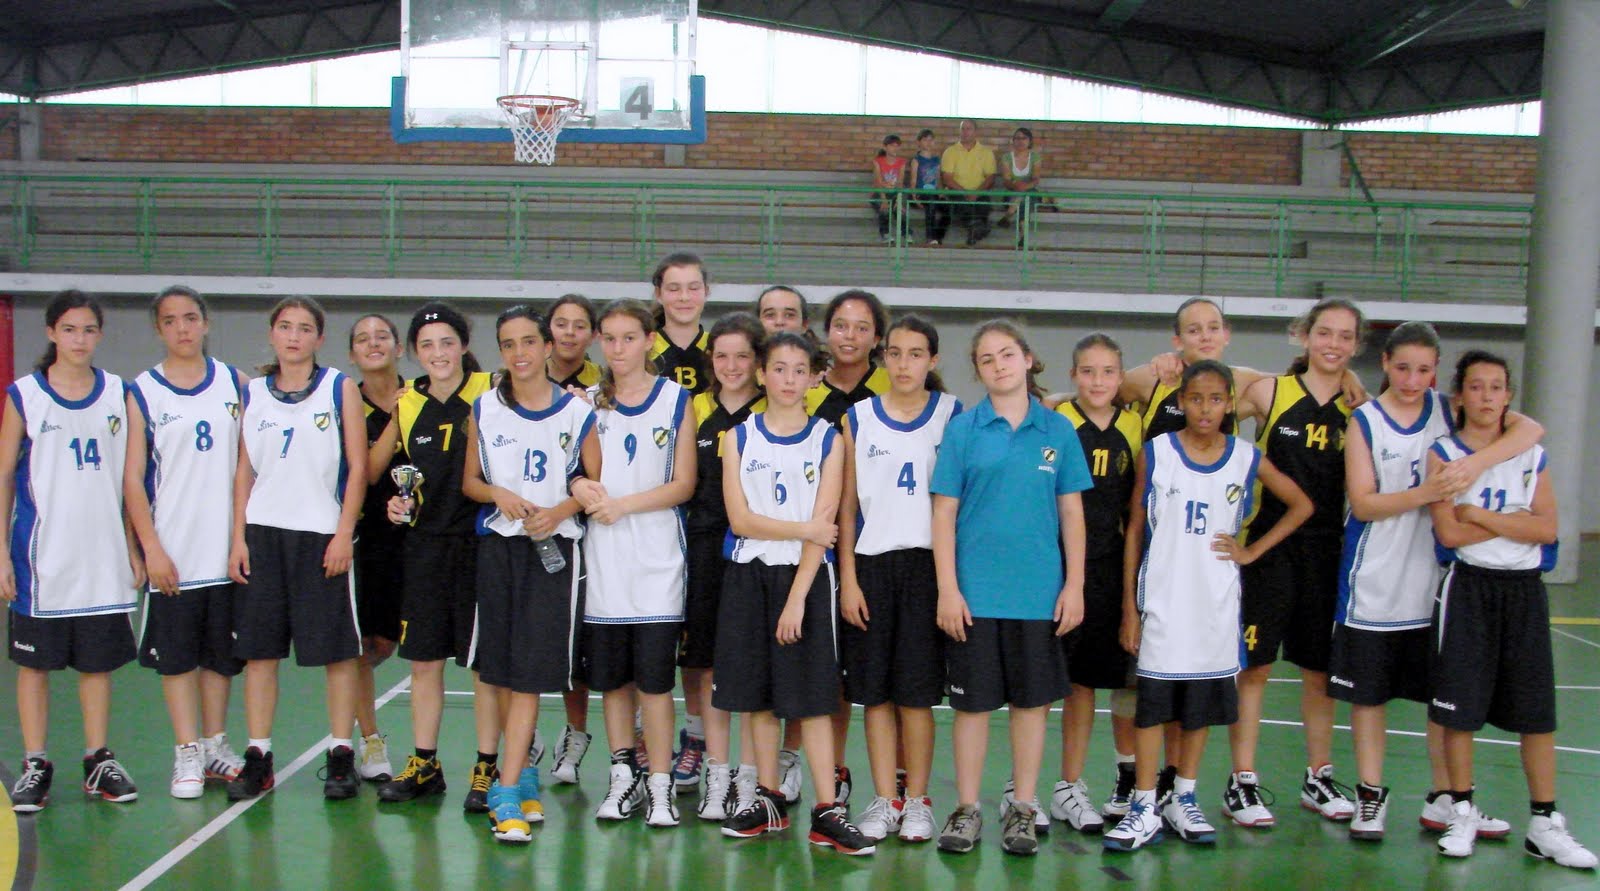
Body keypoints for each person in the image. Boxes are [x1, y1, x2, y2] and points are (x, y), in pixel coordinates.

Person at [1333, 322, 1542, 842]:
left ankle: (1447, 799)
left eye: (1424, 369)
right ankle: (1370, 796)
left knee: (1443, 697)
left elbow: (1530, 430)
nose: (1412, 378)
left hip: (1438, 581)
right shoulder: (1366, 420)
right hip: (1375, 576)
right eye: (1402, 367)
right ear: (1384, 363)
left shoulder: (1449, 411)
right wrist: (1432, 490)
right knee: (1370, 696)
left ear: (1437, 373)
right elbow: (1363, 502)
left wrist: (1468, 466)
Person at [1103, 360, 1313, 852]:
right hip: (1162, 601)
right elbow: (1135, 528)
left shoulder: (1245, 455)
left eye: (1216, 399)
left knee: (1197, 710)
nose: (1204, 408)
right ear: (1180, 401)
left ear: (1229, 403)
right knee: (1152, 712)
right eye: (1195, 398)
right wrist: (1129, 609)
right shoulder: (1157, 453)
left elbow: (1302, 504)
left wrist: (1251, 552)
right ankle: (1143, 805)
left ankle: (1184, 797)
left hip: (1215, 604)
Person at [1425, 351, 1595, 869]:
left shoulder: (1530, 454)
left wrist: (1480, 512)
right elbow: (1450, 533)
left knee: (1537, 715)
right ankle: (1463, 810)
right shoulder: (1444, 453)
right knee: (1461, 711)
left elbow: (1547, 530)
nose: (1486, 396)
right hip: (1470, 588)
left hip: (1523, 591)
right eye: (1476, 387)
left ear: (1507, 396)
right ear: (1461, 396)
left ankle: (1544, 821)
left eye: (1496, 387)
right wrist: (1508, 519)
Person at [931, 320, 1090, 856]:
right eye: (986, 359)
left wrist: (1075, 585)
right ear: (977, 371)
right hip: (975, 596)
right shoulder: (963, 430)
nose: (999, 365)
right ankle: (967, 809)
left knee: (1031, 707)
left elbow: (1072, 513)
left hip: (1039, 595)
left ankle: (1022, 808)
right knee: (972, 710)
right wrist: (948, 589)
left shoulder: (1058, 431)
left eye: (1007, 354)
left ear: (1027, 359)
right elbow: (944, 513)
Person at [713, 330, 875, 856]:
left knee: (813, 701)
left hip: (806, 581)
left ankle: (827, 810)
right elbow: (739, 520)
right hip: (747, 576)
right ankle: (769, 798)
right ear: (762, 374)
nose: (787, 379)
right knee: (757, 698)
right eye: (778, 368)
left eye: (798, 370)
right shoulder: (738, 437)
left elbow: (824, 527)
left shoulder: (829, 439)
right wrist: (800, 529)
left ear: (814, 377)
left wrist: (796, 597)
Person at [1224, 298, 1365, 827]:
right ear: (1304, 336)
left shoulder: (1359, 407)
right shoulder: (1269, 391)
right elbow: (1205, 389)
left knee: (1319, 672)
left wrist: (1351, 378)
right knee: (1255, 668)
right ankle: (1241, 781)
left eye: (1345, 337)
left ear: (1356, 345)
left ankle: (1319, 776)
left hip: (1328, 550)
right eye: (1324, 333)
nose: (1333, 344)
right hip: (1267, 547)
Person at [463, 305, 600, 843]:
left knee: (527, 675)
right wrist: (496, 491)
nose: (519, 353)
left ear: (548, 347)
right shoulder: (484, 409)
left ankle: (506, 786)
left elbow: (594, 484)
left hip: (554, 554)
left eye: (528, 342)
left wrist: (560, 511)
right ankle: (521, 776)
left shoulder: (576, 412)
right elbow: (470, 481)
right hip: (500, 549)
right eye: (508, 344)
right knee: (496, 670)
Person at [2, 290, 141, 812]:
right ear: (51, 333)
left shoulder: (117, 394)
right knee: (35, 666)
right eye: (70, 329)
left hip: (102, 555)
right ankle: (35, 761)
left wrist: (133, 547)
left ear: (99, 335)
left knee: (96, 666)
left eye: (89, 330)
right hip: (42, 557)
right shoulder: (25, 395)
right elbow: (3, 480)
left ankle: (97, 759)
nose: (79, 339)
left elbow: (130, 480)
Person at [225, 295, 367, 802]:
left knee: (336, 654)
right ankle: (259, 755)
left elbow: (357, 467)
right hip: (263, 535)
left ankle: (340, 753)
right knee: (260, 653)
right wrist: (238, 537)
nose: (293, 336)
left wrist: (342, 533)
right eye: (285, 326)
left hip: (320, 536)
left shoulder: (338, 388)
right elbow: (245, 469)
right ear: (272, 334)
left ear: (318, 338)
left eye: (304, 328)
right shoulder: (254, 392)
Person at [369, 303, 500, 813]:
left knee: (481, 666)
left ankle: (487, 766)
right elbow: (390, 472)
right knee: (424, 661)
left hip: (481, 545)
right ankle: (425, 762)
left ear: (464, 345)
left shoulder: (492, 390)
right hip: (424, 548)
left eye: (448, 342)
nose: (438, 353)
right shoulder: (407, 405)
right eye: (427, 345)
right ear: (414, 353)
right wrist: (398, 502)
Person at [572, 299, 696, 827]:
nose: (618, 348)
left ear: (650, 340)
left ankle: (662, 784)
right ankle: (623, 776)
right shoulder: (585, 404)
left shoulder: (675, 400)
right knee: (613, 681)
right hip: (603, 560)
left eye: (629, 337)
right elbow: (571, 471)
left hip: (657, 558)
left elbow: (683, 483)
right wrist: (580, 484)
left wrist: (623, 504)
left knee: (655, 683)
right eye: (610, 338)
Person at [838, 315, 961, 845]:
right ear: (882, 358)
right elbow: (845, 510)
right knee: (876, 695)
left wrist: (952, 583)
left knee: (915, 695)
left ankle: (918, 801)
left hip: (929, 569)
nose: (904, 363)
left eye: (916, 354)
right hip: (872, 565)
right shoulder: (858, 418)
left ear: (932, 360)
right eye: (895, 353)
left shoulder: (954, 416)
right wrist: (848, 578)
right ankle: (884, 798)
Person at [124, 286, 248, 799]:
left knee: (220, 658)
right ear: (159, 328)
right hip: (173, 549)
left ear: (205, 323)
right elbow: (132, 478)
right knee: (176, 659)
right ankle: (186, 752)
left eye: (190, 318)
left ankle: (216, 745)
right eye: (171, 320)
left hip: (224, 550)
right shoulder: (143, 391)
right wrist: (151, 547)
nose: (182, 328)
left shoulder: (234, 383)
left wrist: (241, 537)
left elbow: (247, 463)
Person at [1050, 333, 1141, 833]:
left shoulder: (1134, 425)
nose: (1099, 380)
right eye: (1088, 371)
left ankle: (1124, 778)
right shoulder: (1058, 421)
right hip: (1059, 570)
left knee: (1110, 681)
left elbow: (1136, 506)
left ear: (1121, 376)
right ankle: (1065, 784)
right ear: (1073, 376)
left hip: (1110, 571)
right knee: (1069, 685)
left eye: (1109, 371)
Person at [682, 312, 767, 822]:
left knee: (753, 664)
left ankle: (750, 777)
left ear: (758, 361)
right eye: (721, 355)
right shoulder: (694, 409)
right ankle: (717, 773)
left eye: (742, 355)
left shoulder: (774, 410)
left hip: (758, 552)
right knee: (708, 663)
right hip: (705, 548)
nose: (731, 365)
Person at [542, 292, 601, 783]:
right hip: (533, 532)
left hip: (590, 533)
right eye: (560, 323)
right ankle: (542, 737)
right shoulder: (517, 385)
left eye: (579, 325)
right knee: (551, 645)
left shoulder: (603, 388)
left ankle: (583, 737)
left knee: (586, 644)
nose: (568, 332)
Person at [349, 313, 404, 784]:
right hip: (372, 541)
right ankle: (369, 739)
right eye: (363, 339)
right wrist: (401, 416)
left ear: (399, 348)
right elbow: (365, 472)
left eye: (382, 336)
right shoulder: (348, 403)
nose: (373, 344)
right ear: (352, 354)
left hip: (426, 539)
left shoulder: (426, 392)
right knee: (369, 645)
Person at [806, 289, 891, 428]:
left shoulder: (892, 385)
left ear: (876, 339)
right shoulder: (808, 394)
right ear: (828, 332)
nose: (850, 335)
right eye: (840, 326)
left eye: (862, 328)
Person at [648, 252, 712, 397]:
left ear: (706, 291)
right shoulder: (643, 348)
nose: (684, 297)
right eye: (674, 289)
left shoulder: (718, 349)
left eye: (694, 288)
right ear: (658, 293)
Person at [939, 119, 997, 246]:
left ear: (976, 132)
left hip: (979, 191)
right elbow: (947, 178)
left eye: (969, 129)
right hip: (957, 191)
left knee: (984, 203)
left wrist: (976, 193)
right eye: (963, 129)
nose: (965, 132)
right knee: (959, 200)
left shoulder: (986, 152)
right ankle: (978, 229)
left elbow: (990, 178)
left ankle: (974, 230)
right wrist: (965, 192)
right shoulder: (950, 152)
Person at [997, 127, 1043, 243]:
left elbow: (1035, 180)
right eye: (1017, 138)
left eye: (1024, 138)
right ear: (1013, 140)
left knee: (1027, 198)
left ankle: (1009, 214)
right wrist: (1018, 187)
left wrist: (1024, 187)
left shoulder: (1035, 157)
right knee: (1025, 199)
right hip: (1011, 192)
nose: (1020, 141)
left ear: (1030, 141)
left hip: (1030, 191)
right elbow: (1006, 181)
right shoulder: (1006, 157)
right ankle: (1023, 234)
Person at [907, 129, 949, 246]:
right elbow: (913, 181)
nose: (928, 143)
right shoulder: (916, 160)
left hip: (934, 192)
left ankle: (938, 236)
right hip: (921, 193)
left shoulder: (936, 160)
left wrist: (941, 192)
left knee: (947, 208)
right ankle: (929, 237)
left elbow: (938, 180)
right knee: (931, 203)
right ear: (919, 142)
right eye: (925, 140)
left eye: (931, 140)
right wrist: (914, 197)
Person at [869, 134, 909, 242]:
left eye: (897, 146)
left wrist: (899, 199)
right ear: (885, 147)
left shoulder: (901, 162)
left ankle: (906, 233)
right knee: (885, 209)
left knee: (900, 208)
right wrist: (883, 199)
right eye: (892, 145)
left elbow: (900, 182)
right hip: (879, 192)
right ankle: (885, 234)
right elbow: (878, 181)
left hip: (894, 192)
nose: (894, 148)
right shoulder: (878, 161)